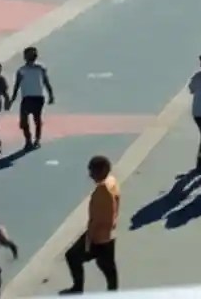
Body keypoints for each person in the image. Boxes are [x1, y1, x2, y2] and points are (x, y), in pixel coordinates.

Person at [62, 155, 120, 294]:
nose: (90, 175)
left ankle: (78, 288)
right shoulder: (112, 182)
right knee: (107, 265)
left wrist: (88, 241)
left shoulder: (102, 190)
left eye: (93, 171)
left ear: (102, 170)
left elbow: (97, 219)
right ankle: (113, 291)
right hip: (110, 233)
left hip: (99, 236)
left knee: (72, 256)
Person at [9, 46, 55, 150]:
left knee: (37, 119)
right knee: (24, 121)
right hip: (27, 97)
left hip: (38, 97)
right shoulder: (21, 70)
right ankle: (28, 140)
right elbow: (17, 85)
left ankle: (37, 140)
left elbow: (46, 81)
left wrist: (51, 94)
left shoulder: (41, 68)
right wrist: (12, 98)